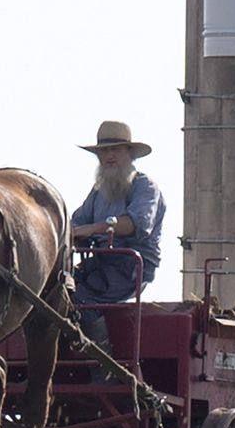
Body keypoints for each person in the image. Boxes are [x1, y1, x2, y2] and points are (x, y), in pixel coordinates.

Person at [71, 120, 166, 353]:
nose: (109, 155)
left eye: (116, 149)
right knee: (54, 289)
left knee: (81, 300)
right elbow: (77, 223)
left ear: (130, 153)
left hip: (131, 265)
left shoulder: (145, 187)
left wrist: (93, 229)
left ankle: (104, 367)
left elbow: (136, 224)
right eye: (104, 151)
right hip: (100, 263)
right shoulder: (97, 192)